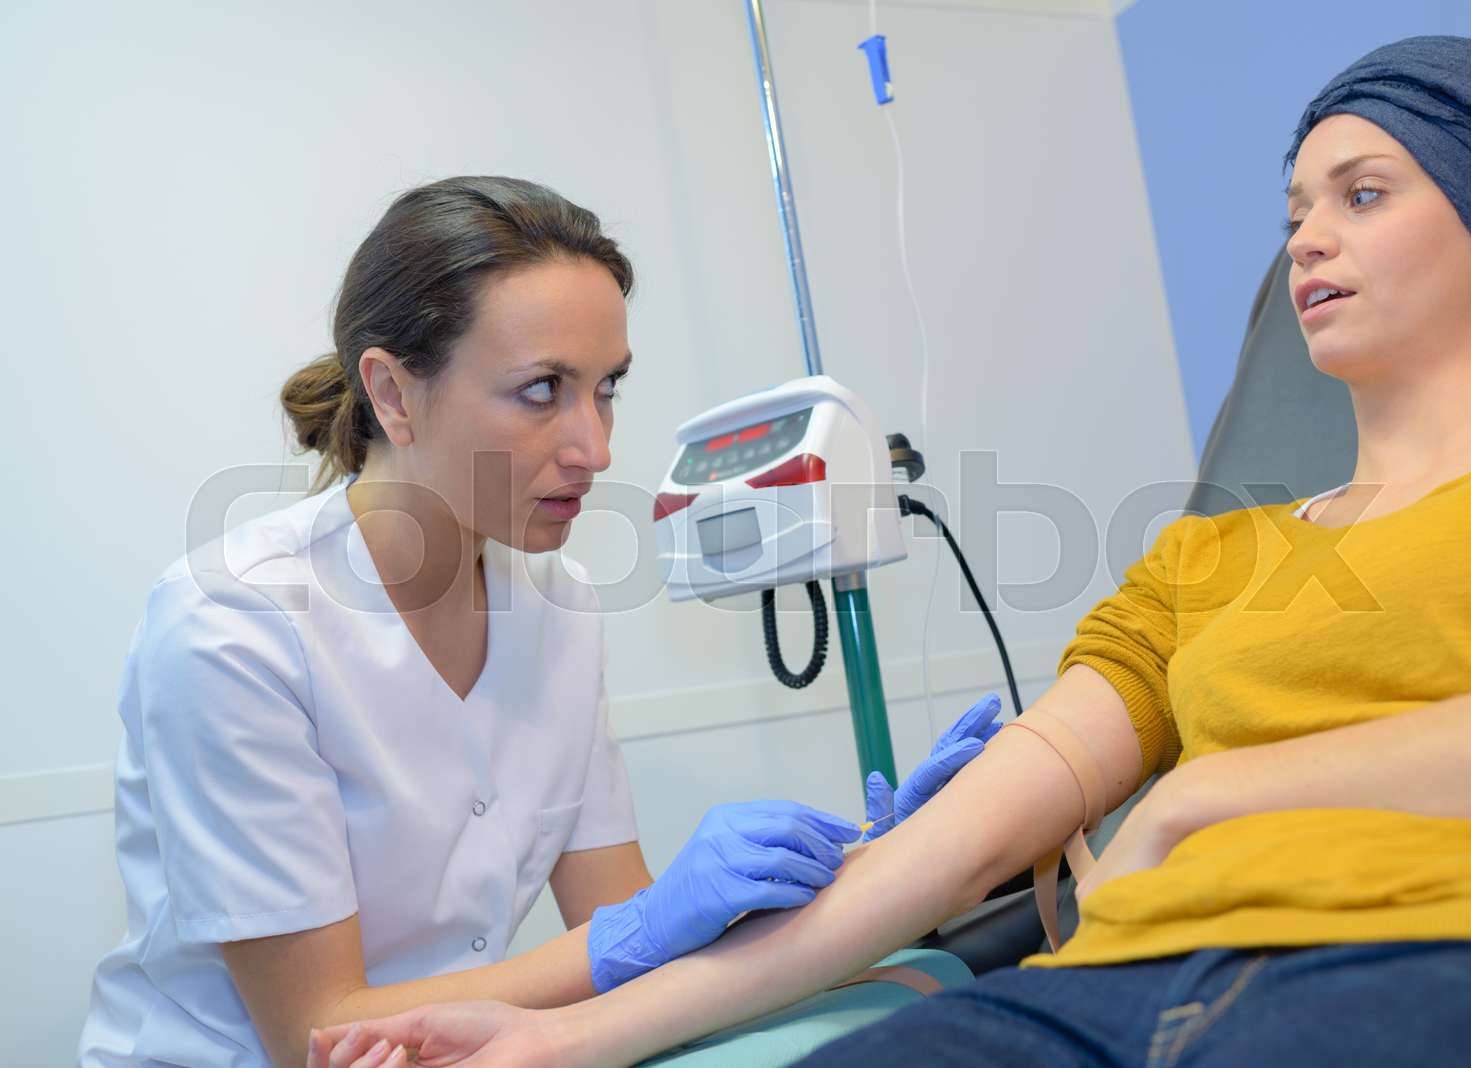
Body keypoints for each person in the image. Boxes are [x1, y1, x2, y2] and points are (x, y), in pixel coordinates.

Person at [311, 35, 1471, 1068]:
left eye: (1363, 195)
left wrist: (1219, 794)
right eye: (1295, 208)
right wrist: (564, 1041)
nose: (1306, 236)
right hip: (1100, 991)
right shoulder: (1209, 563)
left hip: (1456, 957)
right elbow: (955, 854)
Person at [76, 176, 1000, 1068]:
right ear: (394, 395)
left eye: (607, 388)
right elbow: (318, 1034)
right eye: (541, 390)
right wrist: (640, 929)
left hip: (489, 1051)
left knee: (916, 996)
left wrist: (868, 874)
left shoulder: (557, 608)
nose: (596, 448)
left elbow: (641, 946)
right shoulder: (234, 627)